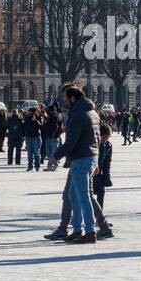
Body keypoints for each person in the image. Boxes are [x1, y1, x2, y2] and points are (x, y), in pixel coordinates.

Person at [49, 84, 101, 243]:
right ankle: (77, 229)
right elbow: (97, 137)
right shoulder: (92, 112)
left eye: (65, 99)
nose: (63, 102)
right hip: (91, 156)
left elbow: (71, 142)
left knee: (83, 196)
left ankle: (90, 231)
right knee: (73, 195)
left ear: (73, 98)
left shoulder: (77, 114)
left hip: (81, 158)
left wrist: (54, 156)